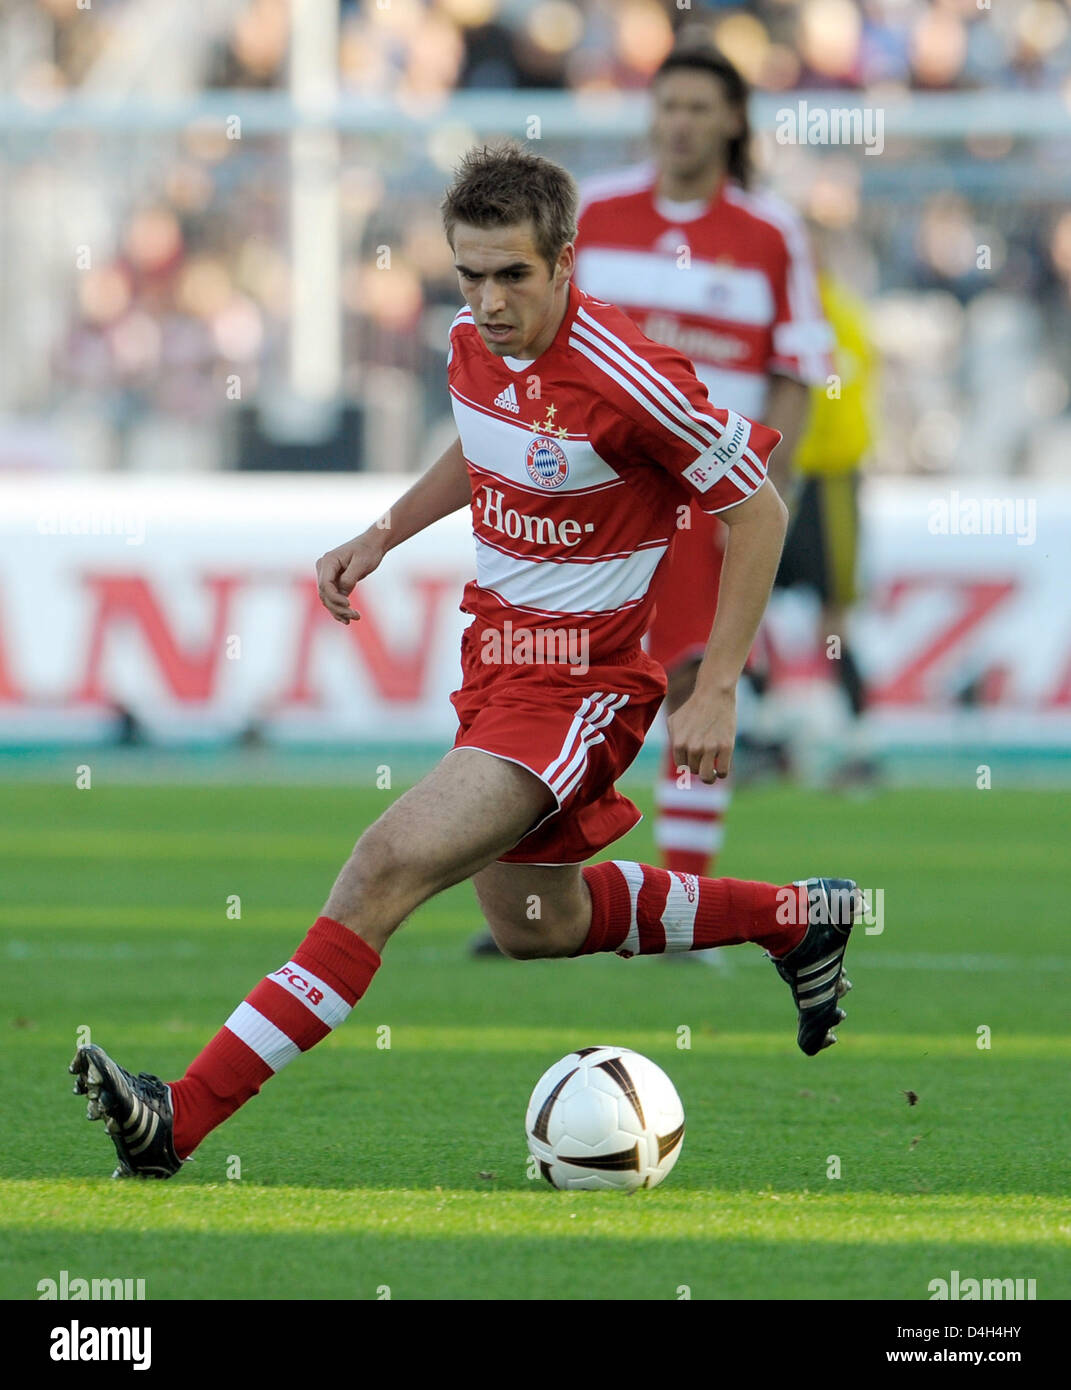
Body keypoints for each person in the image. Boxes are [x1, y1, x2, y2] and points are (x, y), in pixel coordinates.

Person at [69, 144, 857, 1180]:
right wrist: (382, 533)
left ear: (565, 262)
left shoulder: (631, 379)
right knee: (539, 921)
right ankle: (798, 918)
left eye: (512, 275)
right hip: (496, 669)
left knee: (380, 870)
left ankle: (178, 1117)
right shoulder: (469, 343)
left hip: (579, 688)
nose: (487, 302)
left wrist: (715, 689)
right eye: (469, 275)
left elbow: (759, 510)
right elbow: (482, 443)